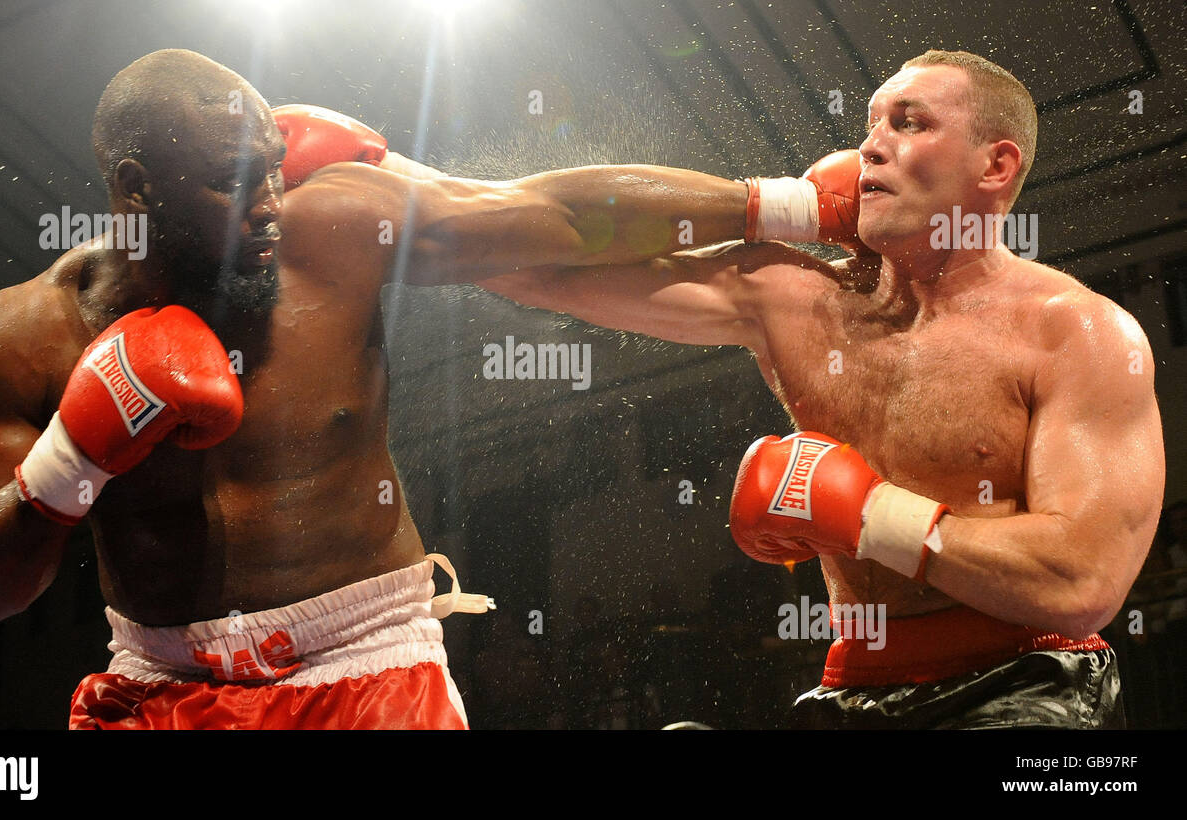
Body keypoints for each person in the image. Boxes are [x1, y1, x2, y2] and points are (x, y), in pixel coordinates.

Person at [0, 49, 800, 729]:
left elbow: (557, 218)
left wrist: (783, 206)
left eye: (270, 166)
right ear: (133, 189)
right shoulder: (28, 334)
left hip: (366, 663)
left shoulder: (331, 229)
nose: (267, 202)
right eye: (231, 181)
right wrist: (70, 460)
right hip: (163, 685)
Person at [482, 50, 1164, 728]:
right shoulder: (797, 300)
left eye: (909, 122)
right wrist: (784, 208)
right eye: (870, 125)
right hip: (848, 687)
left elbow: (1080, 582)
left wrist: (868, 515)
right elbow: (528, 251)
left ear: (996, 166)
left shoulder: (1077, 332)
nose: (870, 146)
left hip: (1026, 688)